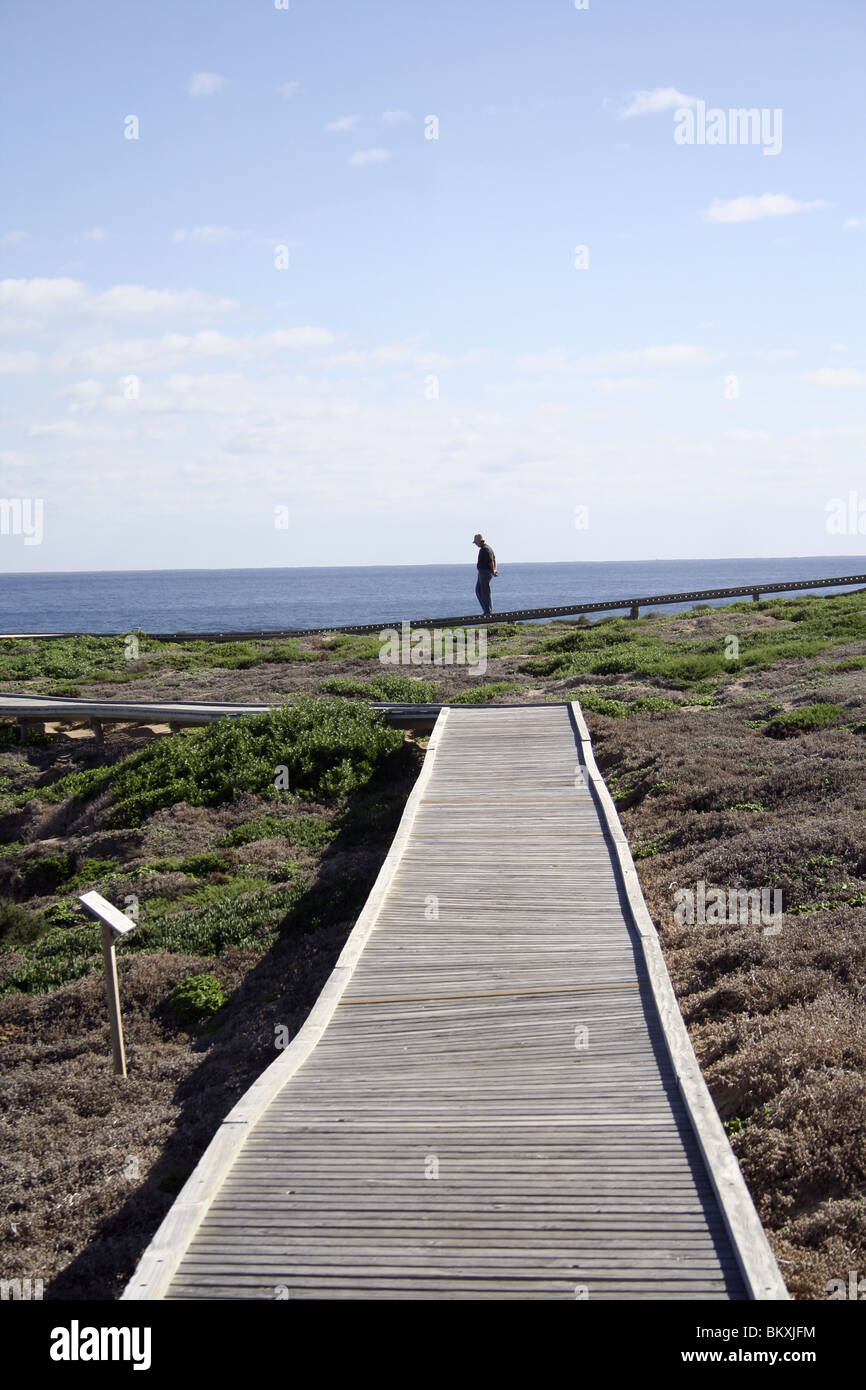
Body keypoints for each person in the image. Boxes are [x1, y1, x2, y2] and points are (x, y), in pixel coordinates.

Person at [473, 532, 498, 616]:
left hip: (484, 573)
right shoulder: (487, 548)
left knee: (484, 591)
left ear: (480, 541)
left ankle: (488, 611)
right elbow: (494, 559)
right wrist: (494, 569)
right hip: (482, 572)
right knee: (479, 591)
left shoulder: (485, 549)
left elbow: (491, 561)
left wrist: (493, 570)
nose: (476, 544)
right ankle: (487, 610)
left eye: (476, 542)